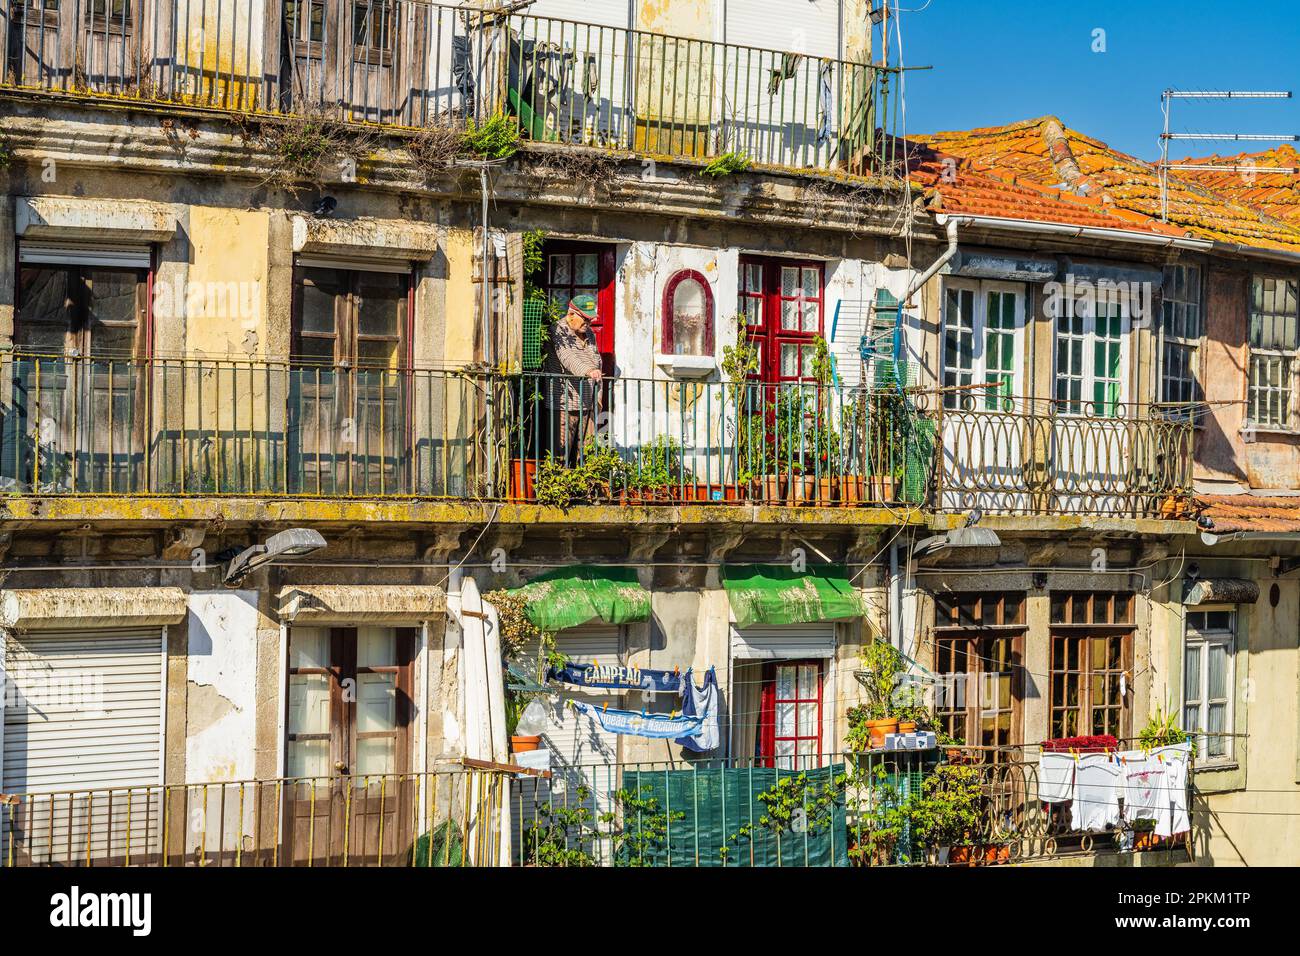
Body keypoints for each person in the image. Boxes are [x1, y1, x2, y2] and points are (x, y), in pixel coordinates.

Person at [540, 293, 603, 466]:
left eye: (590, 320)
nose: (588, 324)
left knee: (587, 455)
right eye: (585, 319)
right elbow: (567, 357)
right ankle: (557, 492)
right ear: (571, 314)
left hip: (587, 402)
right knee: (560, 456)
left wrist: (598, 397)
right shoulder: (558, 330)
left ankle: (585, 492)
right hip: (563, 403)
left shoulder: (589, 333)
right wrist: (588, 370)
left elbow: (597, 361)